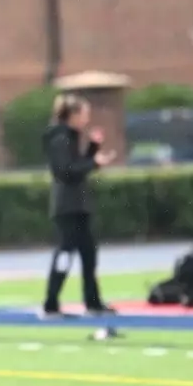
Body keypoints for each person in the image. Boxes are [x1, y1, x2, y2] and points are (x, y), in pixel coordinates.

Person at [40, 93, 117, 319]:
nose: (86, 119)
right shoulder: (60, 139)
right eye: (84, 114)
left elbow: (77, 165)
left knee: (88, 254)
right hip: (67, 207)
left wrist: (93, 149)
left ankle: (92, 302)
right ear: (72, 115)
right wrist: (94, 161)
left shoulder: (71, 137)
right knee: (65, 253)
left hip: (79, 205)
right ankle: (51, 304)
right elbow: (66, 171)